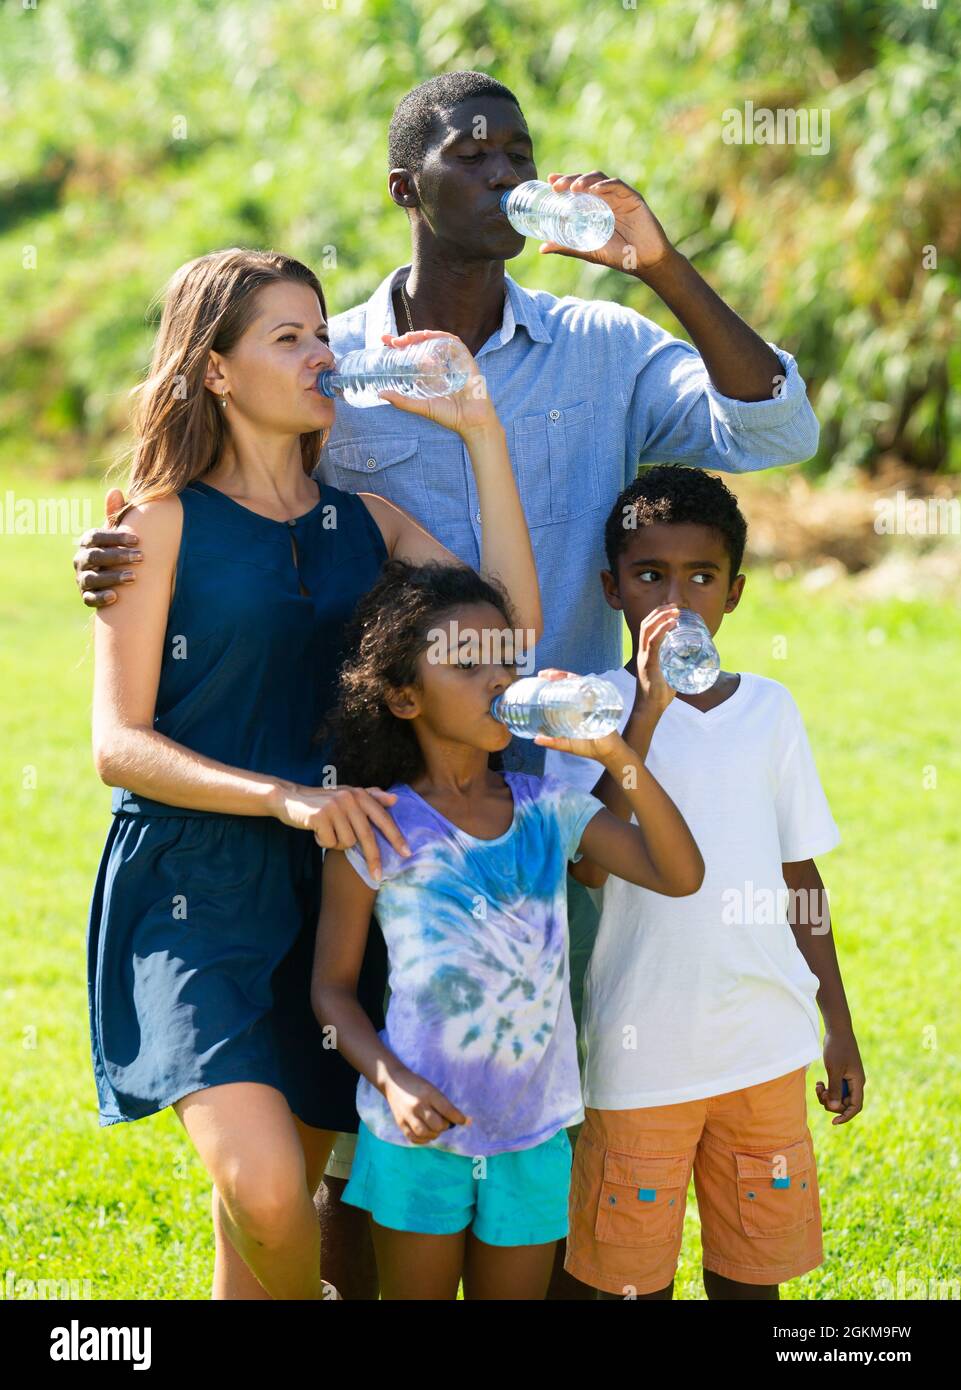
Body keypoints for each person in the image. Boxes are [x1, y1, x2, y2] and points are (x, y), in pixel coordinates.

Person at [72, 69, 821, 1298]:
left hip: (538, 804)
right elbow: (196, 529)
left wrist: (658, 271)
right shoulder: (339, 369)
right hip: (361, 823)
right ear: (402, 187)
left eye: (521, 151)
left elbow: (774, 436)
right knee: (330, 1165)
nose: (507, 172)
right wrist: (120, 545)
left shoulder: (602, 347)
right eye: (474, 152)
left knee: (526, 1115)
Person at [86, 246, 541, 1300]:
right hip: (195, 885)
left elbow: (501, 632)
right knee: (267, 1189)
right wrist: (287, 795)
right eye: (286, 338)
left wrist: (480, 430)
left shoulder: (365, 524)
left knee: (258, 1217)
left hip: (336, 891)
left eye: (322, 332)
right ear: (215, 370)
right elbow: (120, 743)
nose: (319, 356)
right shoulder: (153, 525)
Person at [309, 559, 704, 1299]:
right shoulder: (376, 825)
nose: (497, 679)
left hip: (533, 1133)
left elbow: (679, 873)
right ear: (402, 698)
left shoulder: (547, 807)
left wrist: (614, 750)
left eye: (505, 661)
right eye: (466, 664)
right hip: (418, 1134)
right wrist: (391, 1081)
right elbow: (331, 990)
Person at [541, 464, 865, 1300]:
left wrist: (836, 1021)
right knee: (618, 1279)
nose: (675, 600)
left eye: (701, 577)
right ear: (612, 589)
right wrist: (640, 718)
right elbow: (584, 861)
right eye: (650, 576)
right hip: (641, 1052)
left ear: (736, 592)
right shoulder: (587, 712)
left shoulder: (770, 709)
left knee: (753, 1275)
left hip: (764, 1045)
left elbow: (800, 874)